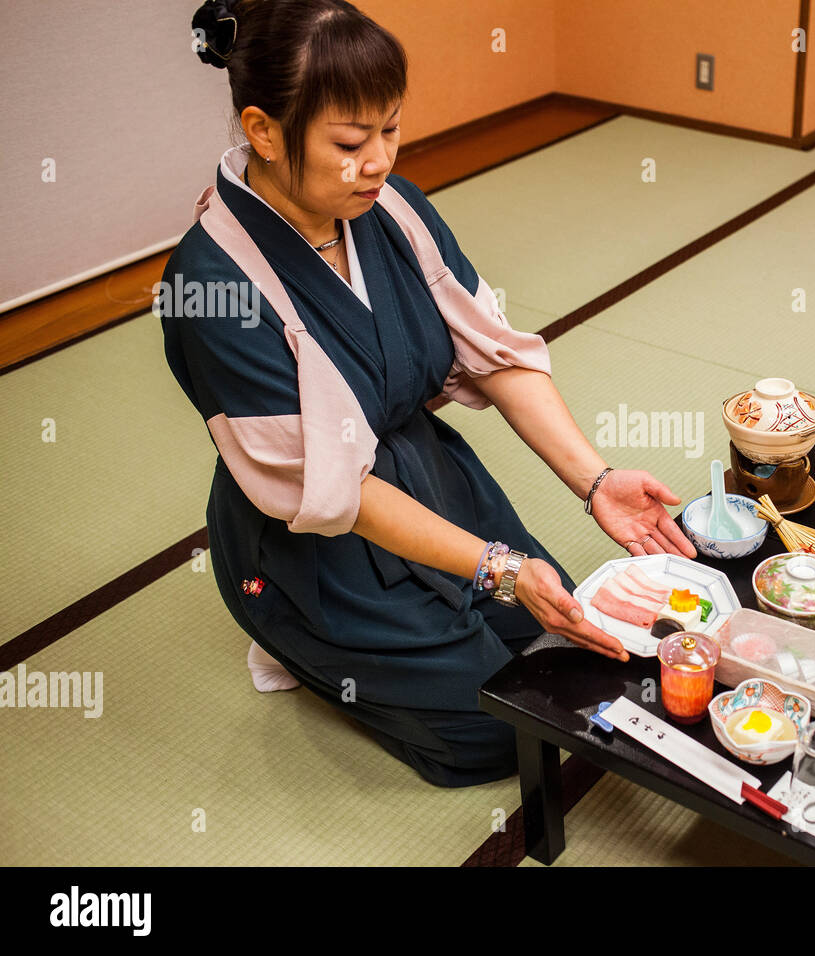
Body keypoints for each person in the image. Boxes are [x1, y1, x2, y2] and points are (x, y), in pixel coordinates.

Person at [161, 0, 696, 787]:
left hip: (426, 478)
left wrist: (595, 481)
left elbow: (495, 352)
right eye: (350, 142)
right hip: (312, 539)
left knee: (565, 663)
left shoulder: (392, 209)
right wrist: (499, 569)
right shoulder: (211, 284)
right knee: (504, 734)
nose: (378, 161)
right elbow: (333, 488)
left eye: (390, 130)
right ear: (265, 131)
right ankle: (294, 637)